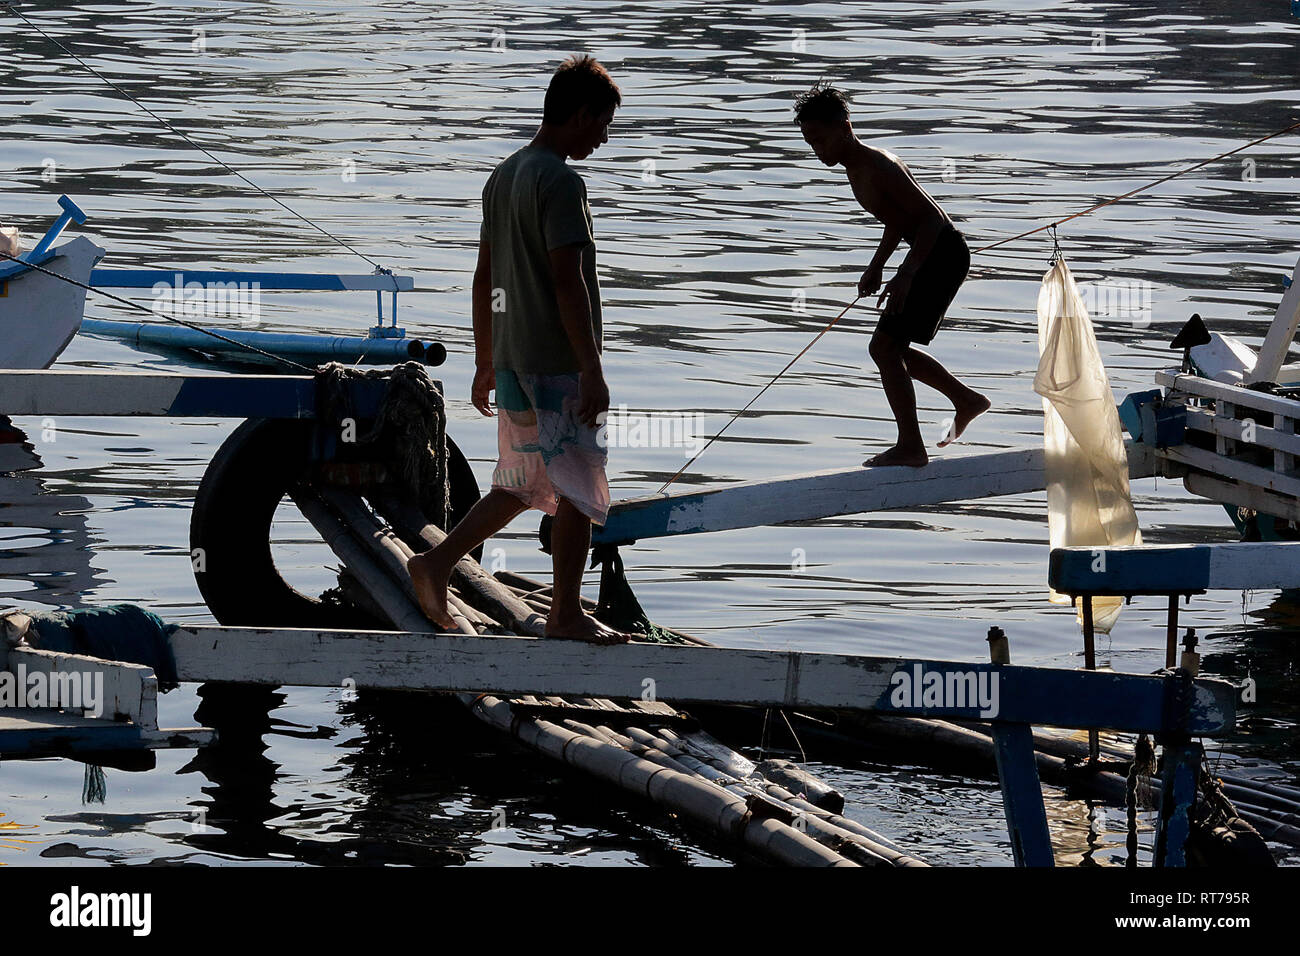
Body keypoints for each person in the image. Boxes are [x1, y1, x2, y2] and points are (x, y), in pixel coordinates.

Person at [408, 54, 631, 645]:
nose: (603, 140)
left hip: (512, 359)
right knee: (580, 488)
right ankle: (564, 615)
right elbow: (568, 281)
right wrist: (592, 368)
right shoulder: (559, 180)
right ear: (580, 114)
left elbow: (485, 277)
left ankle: (435, 563)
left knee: (519, 481)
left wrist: (486, 359)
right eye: (602, 125)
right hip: (557, 363)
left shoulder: (503, 175)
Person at [796, 85, 989, 468]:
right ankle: (965, 400)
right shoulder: (856, 168)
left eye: (820, 140)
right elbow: (899, 220)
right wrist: (877, 264)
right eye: (809, 143)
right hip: (930, 254)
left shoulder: (878, 165)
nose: (817, 151)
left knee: (884, 348)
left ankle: (911, 447)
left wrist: (906, 272)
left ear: (845, 127)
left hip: (940, 255)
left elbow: (933, 220)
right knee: (890, 348)